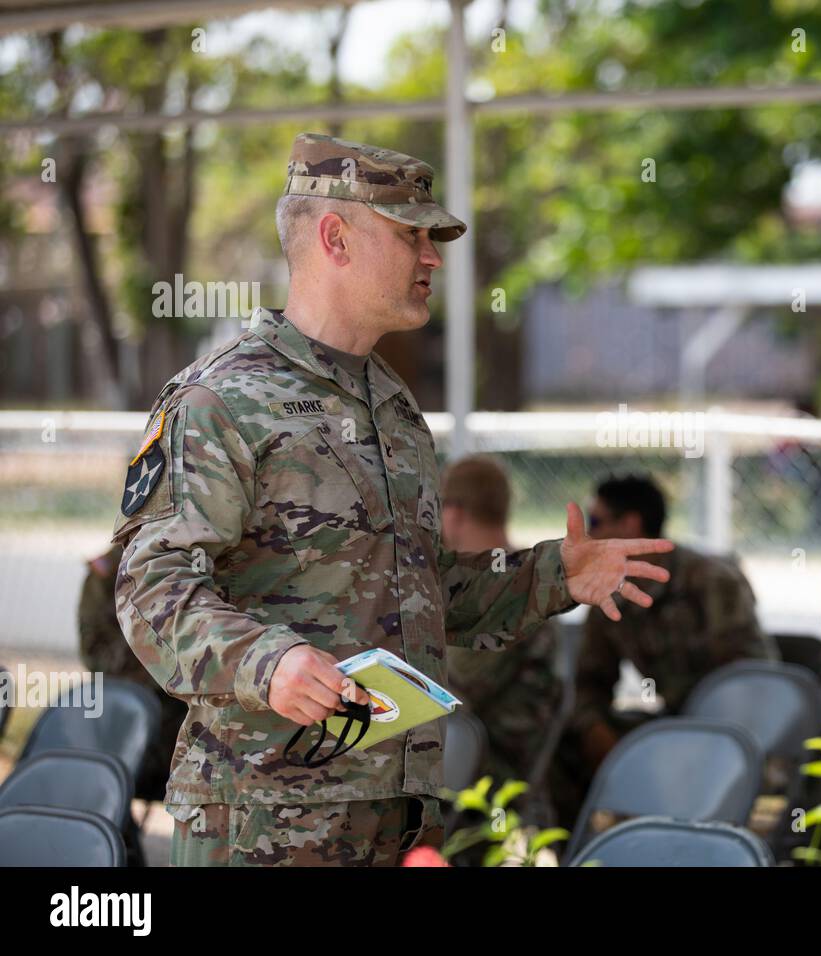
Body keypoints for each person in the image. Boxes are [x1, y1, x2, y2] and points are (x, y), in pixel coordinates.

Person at [112, 133, 673, 867]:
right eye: (412, 234)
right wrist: (267, 662)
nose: (433, 256)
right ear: (335, 237)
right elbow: (150, 585)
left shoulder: (393, 406)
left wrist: (554, 575)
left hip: (398, 815)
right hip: (262, 822)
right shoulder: (222, 397)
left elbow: (422, 591)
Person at [556, 473, 777, 826]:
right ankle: (586, 852)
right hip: (672, 724)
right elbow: (588, 680)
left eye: (595, 520)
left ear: (630, 524)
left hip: (727, 732)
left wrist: (695, 746)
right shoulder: (610, 591)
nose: (588, 532)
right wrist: (594, 729)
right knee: (564, 740)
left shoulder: (711, 581)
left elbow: (753, 686)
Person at [441, 456, 564, 825]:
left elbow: (452, 691)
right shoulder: (519, 576)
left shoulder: (498, 590)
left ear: (453, 514)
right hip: (484, 779)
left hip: (484, 796)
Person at [78, 542, 187, 801]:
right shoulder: (109, 572)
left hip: (183, 715)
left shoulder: (197, 562)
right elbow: (95, 653)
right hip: (129, 715)